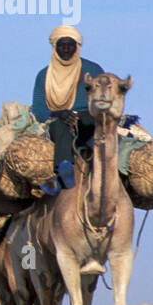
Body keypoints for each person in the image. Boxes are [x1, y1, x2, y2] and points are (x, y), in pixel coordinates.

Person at [29, 24, 104, 195]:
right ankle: (63, 170)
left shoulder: (93, 70)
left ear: (77, 46)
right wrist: (59, 113)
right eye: (61, 44)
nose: (65, 49)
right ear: (55, 47)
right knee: (59, 127)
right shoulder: (44, 75)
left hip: (88, 118)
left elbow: (102, 100)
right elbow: (39, 110)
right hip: (57, 121)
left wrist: (85, 113)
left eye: (70, 44)